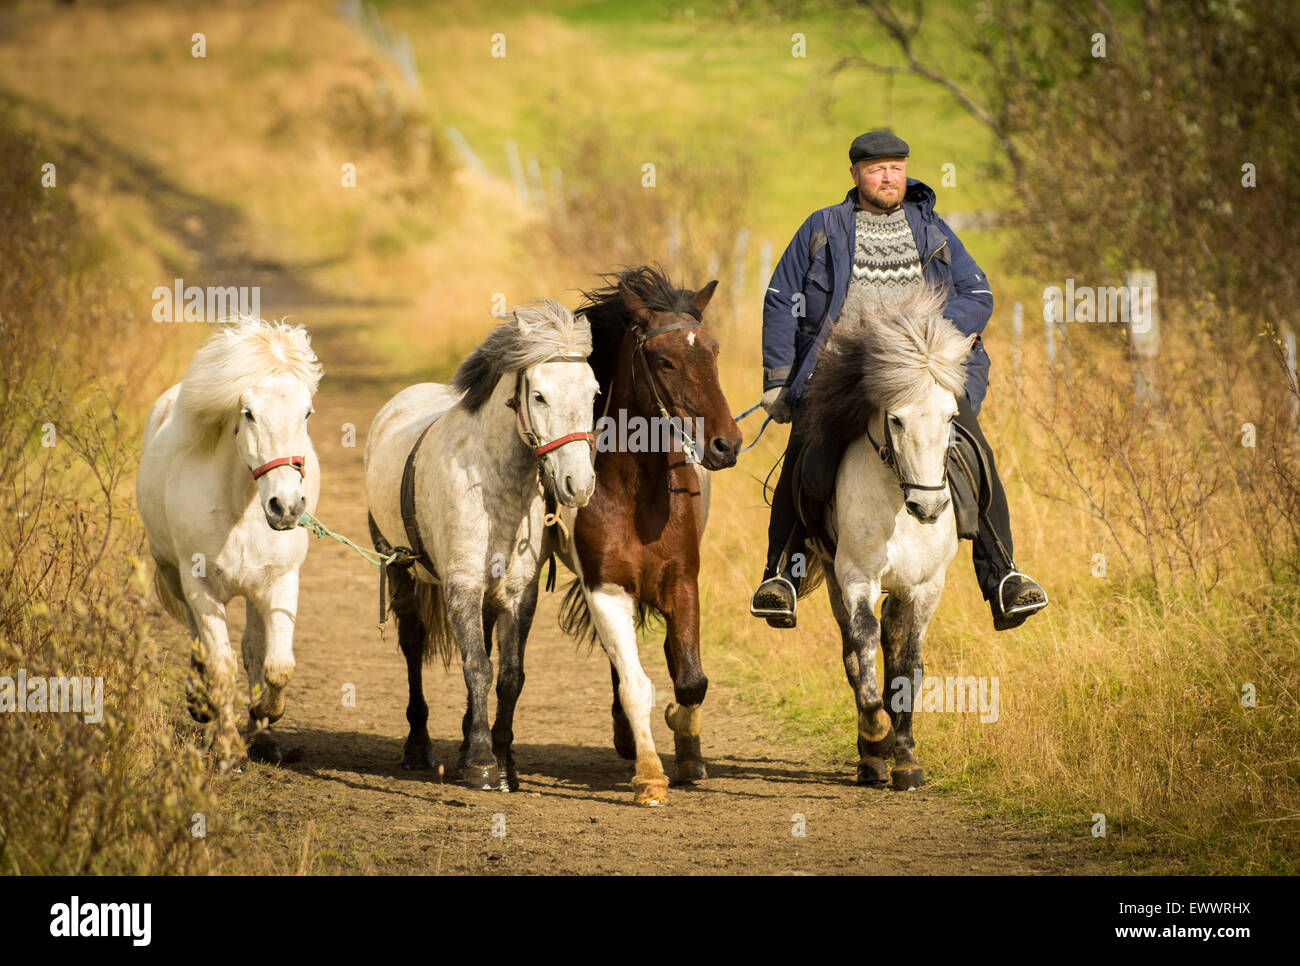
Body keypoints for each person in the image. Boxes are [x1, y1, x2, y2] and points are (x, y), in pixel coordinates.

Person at [750, 130, 1047, 631]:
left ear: (905, 171)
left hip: (917, 372)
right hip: (845, 372)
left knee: (975, 449)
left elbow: (978, 293)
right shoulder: (822, 227)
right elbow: (781, 298)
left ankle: (1003, 577)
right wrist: (779, 379)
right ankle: (779, 575)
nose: (887, 176)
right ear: (855, 175)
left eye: (895, 167)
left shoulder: (931, 229)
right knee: (805, 452)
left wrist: (929, 342)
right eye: (875, 169)